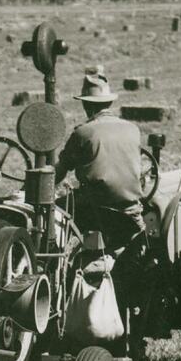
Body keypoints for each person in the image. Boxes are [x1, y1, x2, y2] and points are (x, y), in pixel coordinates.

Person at [55, 72, 145, 249]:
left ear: (85, 104)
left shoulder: (83, 133)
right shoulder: (133, 129)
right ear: (109, 102)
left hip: (96, 209)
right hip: (131, 208)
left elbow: (62, 168)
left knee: (53, 212)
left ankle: (57, 261)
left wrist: (34, 190)